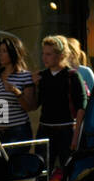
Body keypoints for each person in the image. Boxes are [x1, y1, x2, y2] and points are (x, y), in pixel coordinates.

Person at [33, 36, 86, 170]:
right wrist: (33, 86)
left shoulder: (72, 76)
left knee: (68, 170)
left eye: (49, 54)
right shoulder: (42, 76)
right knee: (43, 172)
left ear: (61, 55)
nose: (44, 58)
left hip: (66, 130)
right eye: (43, 54)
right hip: (45, 130)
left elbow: (81, 107)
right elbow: (34, 104)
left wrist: (76, 136)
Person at [0, 35, 36, 143]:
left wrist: (16, 92)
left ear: (13, 52)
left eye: (4, 51)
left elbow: (29, 107)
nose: (0, 55)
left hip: (18, 130)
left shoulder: (25, 76)